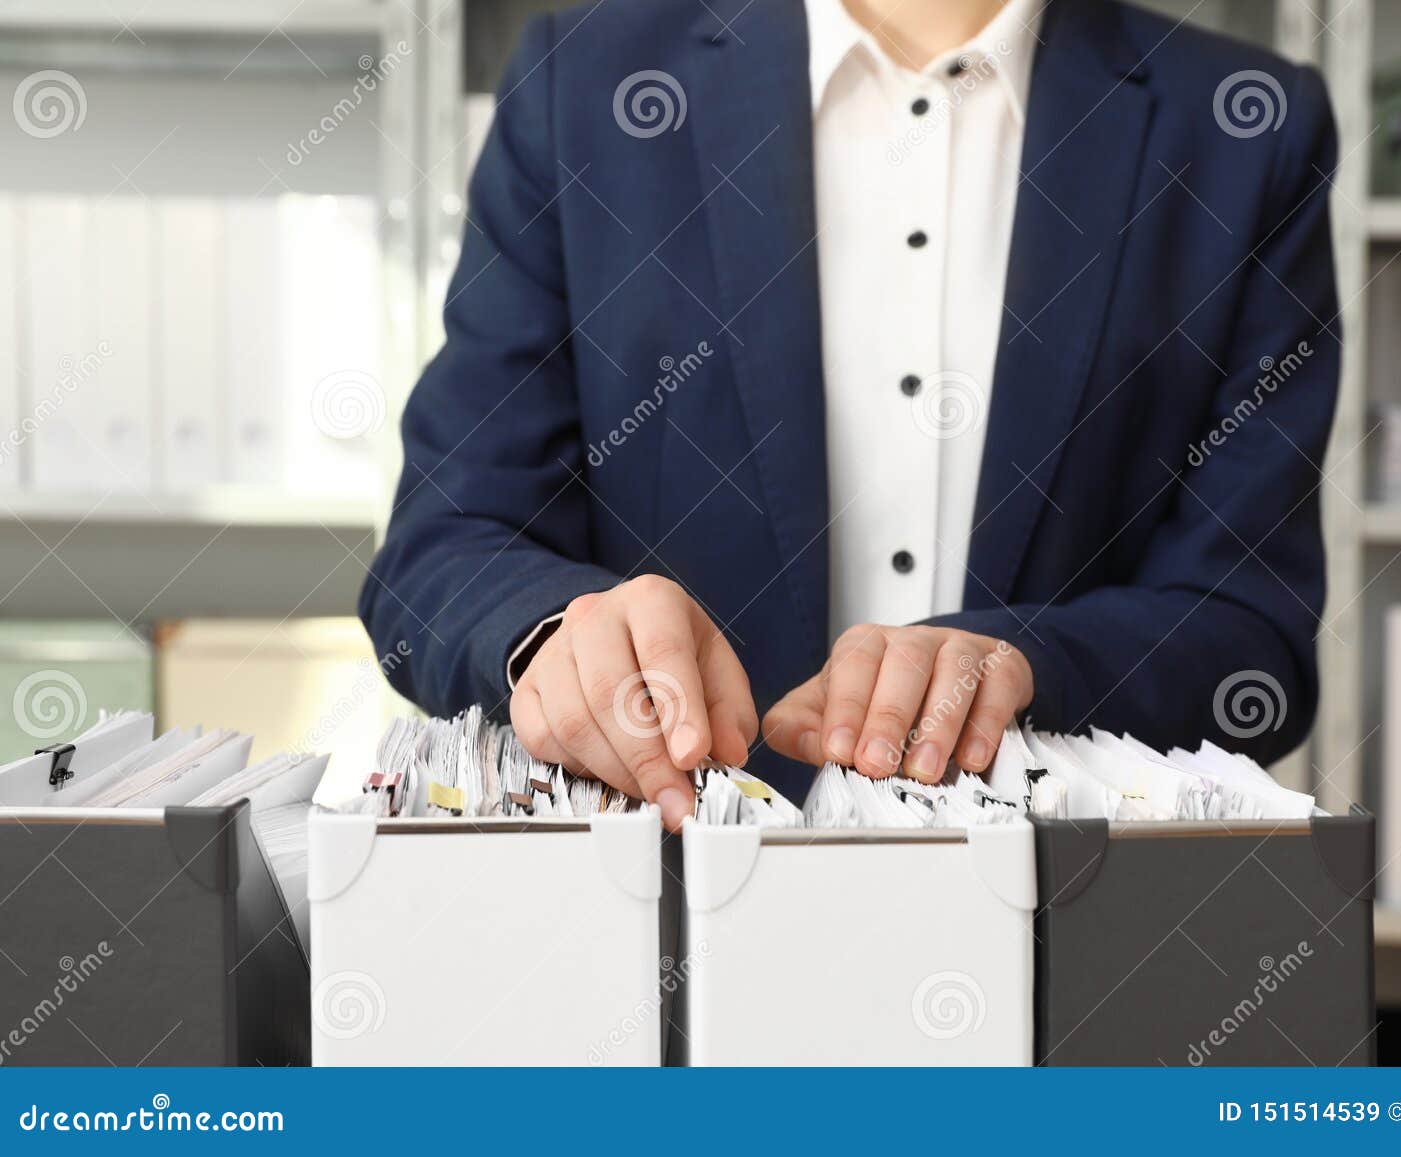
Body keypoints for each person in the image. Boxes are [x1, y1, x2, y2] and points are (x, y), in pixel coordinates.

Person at [360, 0, 1342, 830]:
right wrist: (555, 631)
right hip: (660, 911)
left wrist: (1026, 663)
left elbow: (1249, 629)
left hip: (1060, 938)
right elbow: (443, 545)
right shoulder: (583, 87)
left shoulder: (1241, 128)